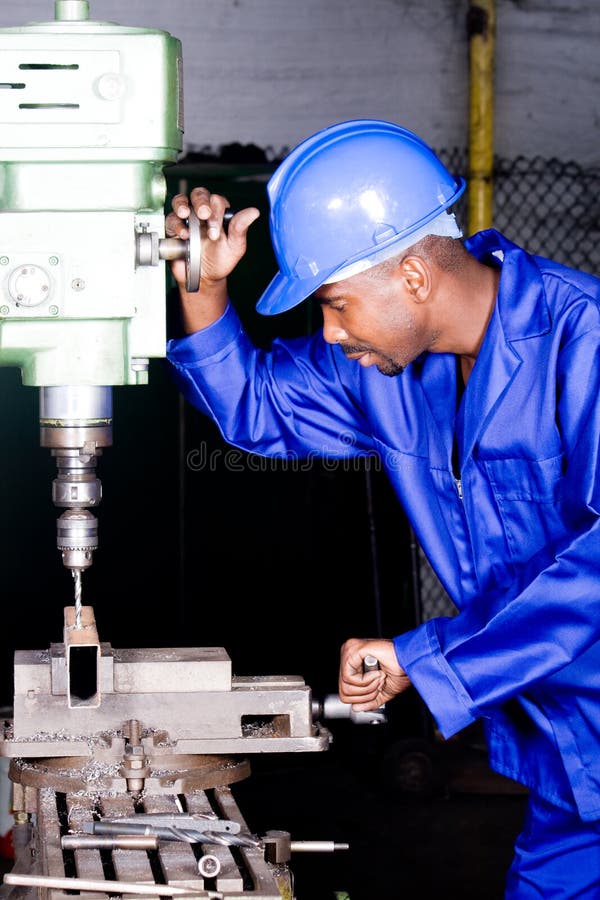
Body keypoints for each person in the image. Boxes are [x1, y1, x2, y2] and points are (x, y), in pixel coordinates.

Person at [165, 119, 600, 898]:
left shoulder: (586, 343)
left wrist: (424, 656)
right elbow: (256, 405)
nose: (330, 334)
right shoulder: (387, 372)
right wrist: (204, 285)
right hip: (572, 759)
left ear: (415, 276)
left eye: (336, 305)